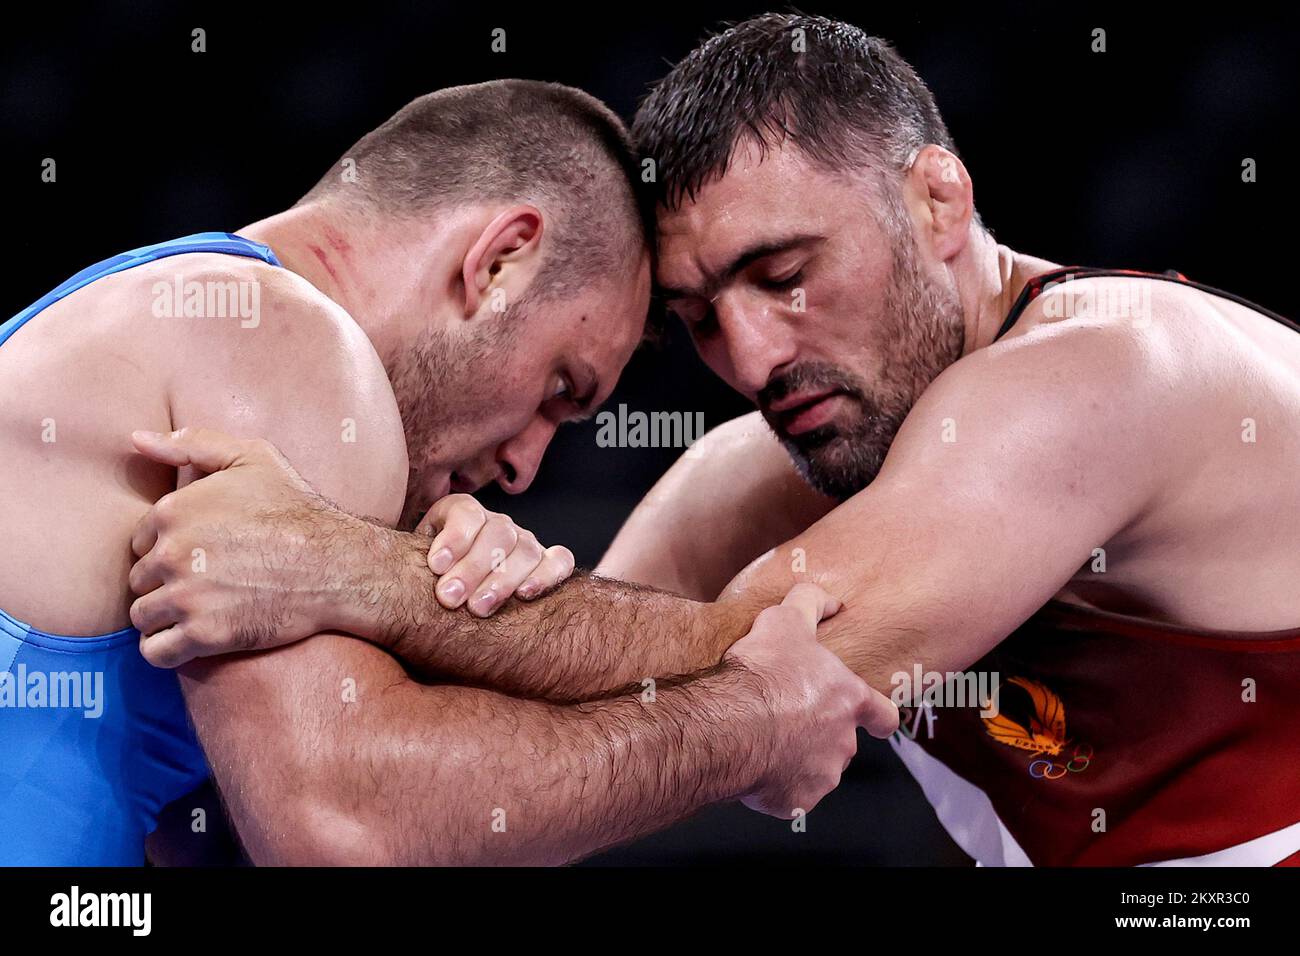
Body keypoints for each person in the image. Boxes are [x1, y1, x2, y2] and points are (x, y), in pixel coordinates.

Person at [135, 15, 1300, 866]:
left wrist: (355, 566)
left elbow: (769, 662)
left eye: (784, 276)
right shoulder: (768, 468)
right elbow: (552, 724)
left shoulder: (1106, 370)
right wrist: (471, 564)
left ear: (938, 203)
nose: (748, 360)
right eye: (698, 319)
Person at [0, 77, 889, 865]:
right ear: (501, 258)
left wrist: (431, 625)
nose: (523, 467)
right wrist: (750, 726)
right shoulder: (283, 343)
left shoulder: (161, 307)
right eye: (558, 389)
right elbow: (345, 833)